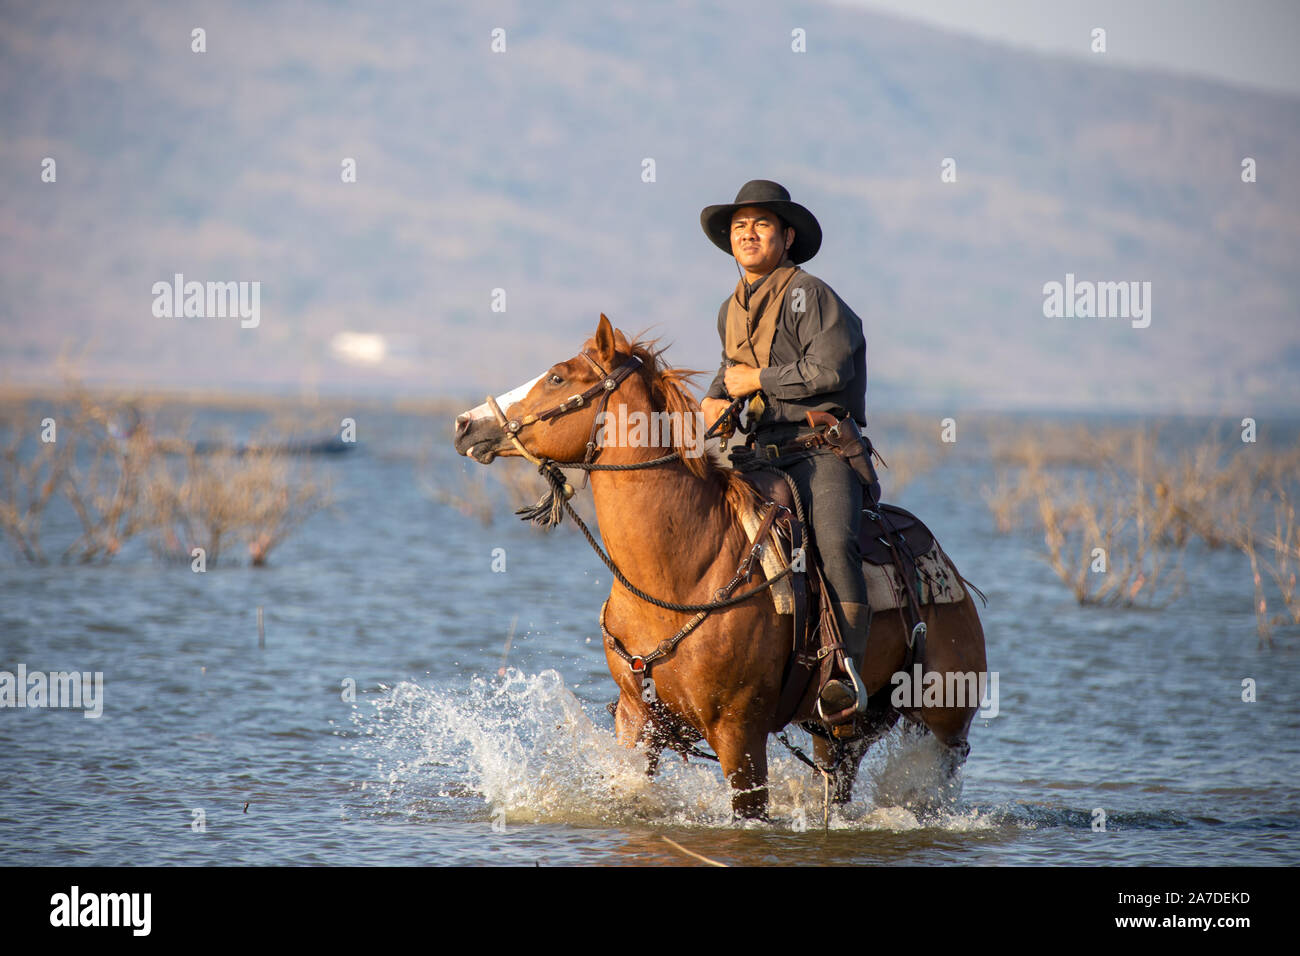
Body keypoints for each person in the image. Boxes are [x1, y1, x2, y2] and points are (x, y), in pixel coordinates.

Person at [698, 179, 872, 720]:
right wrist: (709, 403)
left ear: (787, 236)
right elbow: (729, 380)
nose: (748, 234)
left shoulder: (810, 293)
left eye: (762, 224)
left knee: (835, 541)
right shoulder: (730, 309)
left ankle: (844, 673)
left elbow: (830, 371)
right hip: (758, 454)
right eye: (739, 227)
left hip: (819, 450)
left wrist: (757, 380)